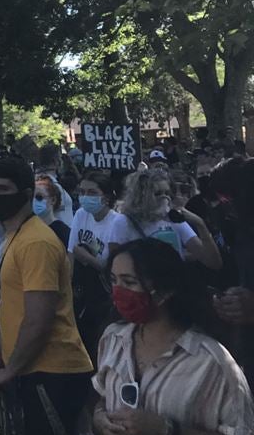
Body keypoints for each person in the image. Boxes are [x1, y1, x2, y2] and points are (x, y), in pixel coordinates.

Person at [93, 239, 254, 435]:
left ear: (165, 291)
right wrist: (100, 417)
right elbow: (104, 396)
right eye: (113, 280)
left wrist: (167, 429)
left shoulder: (211, 363)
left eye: (129, 282)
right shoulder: (113, 339)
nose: (118, 291)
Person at [0, 158, 93, 435]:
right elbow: (16, 305)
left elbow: (38, 319)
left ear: (26, 195)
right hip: (32, 367)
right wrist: (1, 350)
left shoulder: (36, 242)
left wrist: (10, 369)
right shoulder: (17, 235)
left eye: (3, 189)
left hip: (52, 370)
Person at [109, 169, 222, 271]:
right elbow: (114, 265)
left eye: (167, 193)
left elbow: (212, 262)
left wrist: (200, 224)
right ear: (141, 195)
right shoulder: (124, 222)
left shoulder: (174, 220)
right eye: (158, 193)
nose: (164, 198)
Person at [68, 171, 122, 361]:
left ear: (106, 197)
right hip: (82, 293)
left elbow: (112, 269)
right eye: (82, 192)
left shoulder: (117, 223)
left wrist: (88, 258)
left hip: (104, 295)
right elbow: (71, 253)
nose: (85, 197)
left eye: (92, 192)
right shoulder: (81, 214)